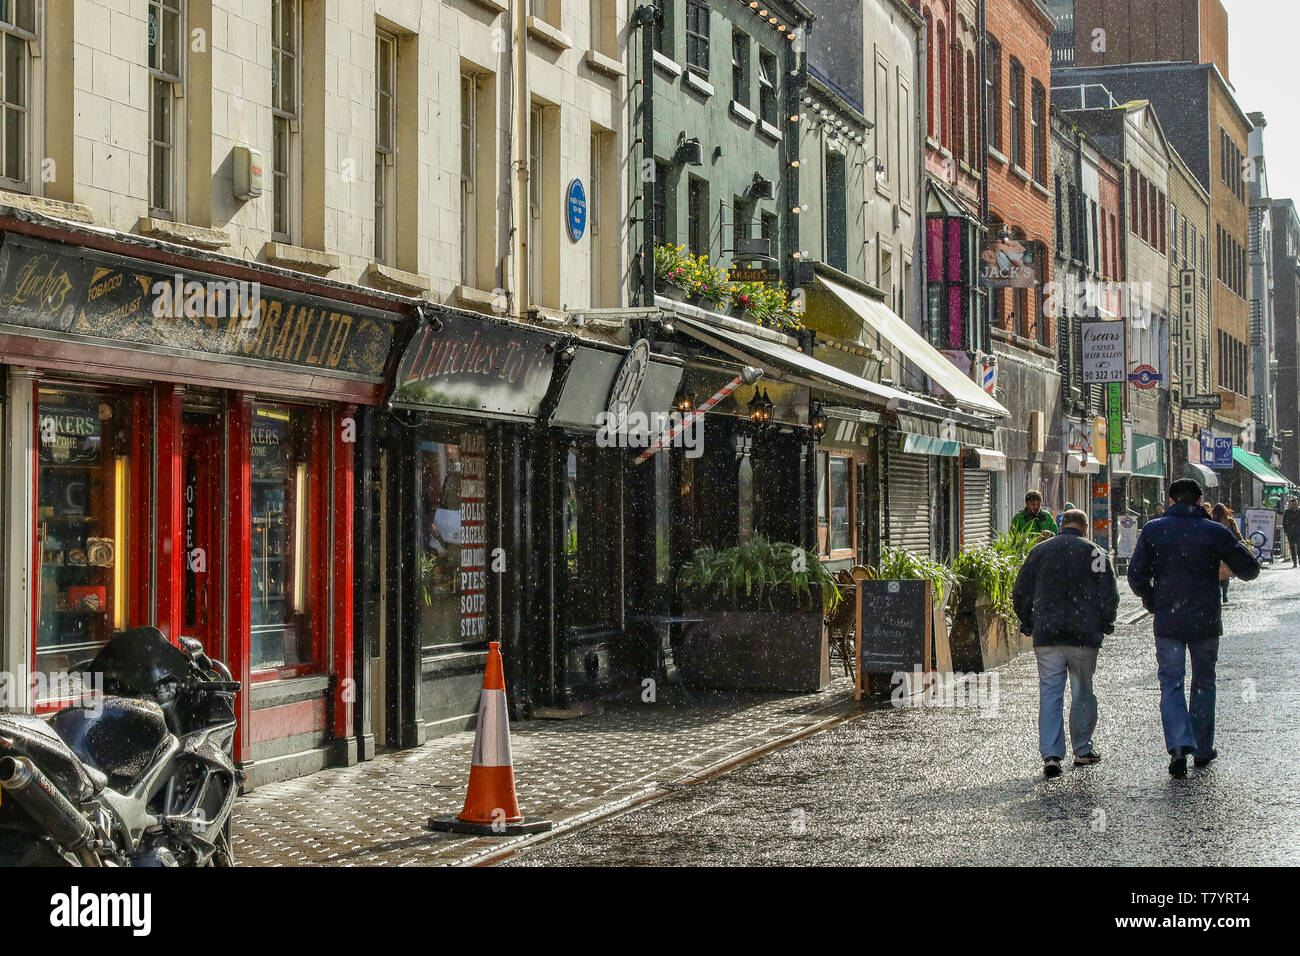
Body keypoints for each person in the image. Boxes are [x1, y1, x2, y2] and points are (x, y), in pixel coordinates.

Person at [1127, 479, 1261, 778]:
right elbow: (1250, 570)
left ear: (1171, 500)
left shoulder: (1153, 530)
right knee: (1203, 682)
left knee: (1171, 683)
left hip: (1168, 621)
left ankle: (1177, 747)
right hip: (1205, 620)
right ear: (1201, 500)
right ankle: (1202, 748)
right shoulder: (1215, 531)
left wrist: (1153, 601)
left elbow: (1136, 576)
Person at [1013, 509, 1120, 777]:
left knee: (1050, 692)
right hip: (1084, 635)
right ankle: (1083, 749)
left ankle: (1051, 755)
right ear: (1085, 528)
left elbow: (1021, 590)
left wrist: (1028, 621)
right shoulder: (1095, 552)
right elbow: (1109, 593)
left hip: (1047, 633)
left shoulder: (1040, 552)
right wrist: (1106, 622)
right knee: (1082, 689)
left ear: (1062, 525)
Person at [1210, 503, 1242, 604]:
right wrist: (1242, 543)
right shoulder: (1230, 521)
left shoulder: (1211, 522)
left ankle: (1218, 594)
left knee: (1217, 574)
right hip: (1227, 550)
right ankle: (1225, 594)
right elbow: (1237, 534)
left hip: (1214, 551)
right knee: (1225, 574)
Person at [1283, 498, 1300, 569]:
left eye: (1295, 504)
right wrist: (1286, 530)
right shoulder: (1287, 512)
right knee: (1292, 547)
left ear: (1297, 504)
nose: (1294, 505)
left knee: (1299, 547)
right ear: (1290, 504)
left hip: (1299, 532)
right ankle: (1294, 562)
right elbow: (1284, 522)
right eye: (1292, 504)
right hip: (1291, 532)